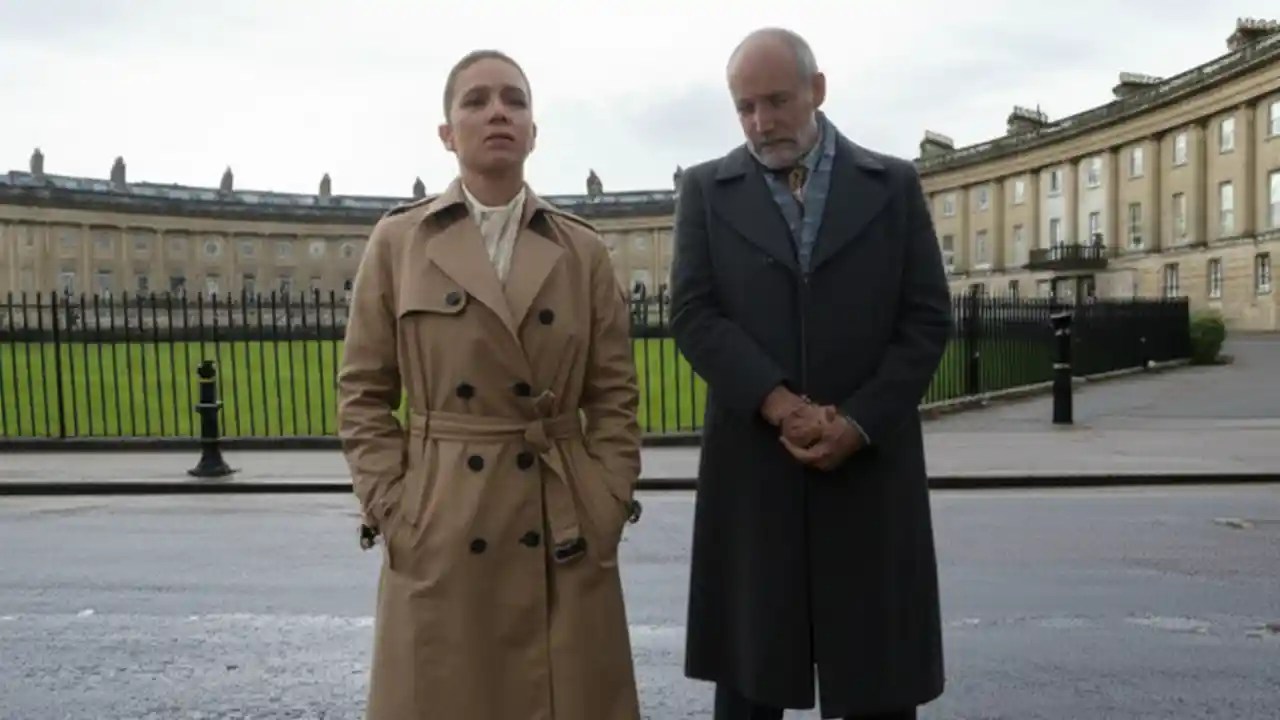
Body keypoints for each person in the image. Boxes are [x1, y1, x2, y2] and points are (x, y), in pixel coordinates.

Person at [336, 49, 644, 720]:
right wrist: (396, 506)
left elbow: (615, 397)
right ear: (447, 133)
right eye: (475, 101)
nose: (497, 111)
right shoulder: (397, 242)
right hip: (442, 518)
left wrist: (606, 500)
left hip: (559, 520)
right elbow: (362, 393)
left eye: (515, 100)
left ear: (534, 131)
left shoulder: (581, 250)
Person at [669, 28, 954, 720]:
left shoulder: (892, 184)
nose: (762, 122)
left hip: (868, 466)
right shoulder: (705, 189)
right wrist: (776, 403)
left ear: (817, 90)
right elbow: (693, 313)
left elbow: (925, 318)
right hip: (755, 468)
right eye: (745, 107)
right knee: (750, 680)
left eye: (776, 100)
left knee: (877, 682)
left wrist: (856, 422)